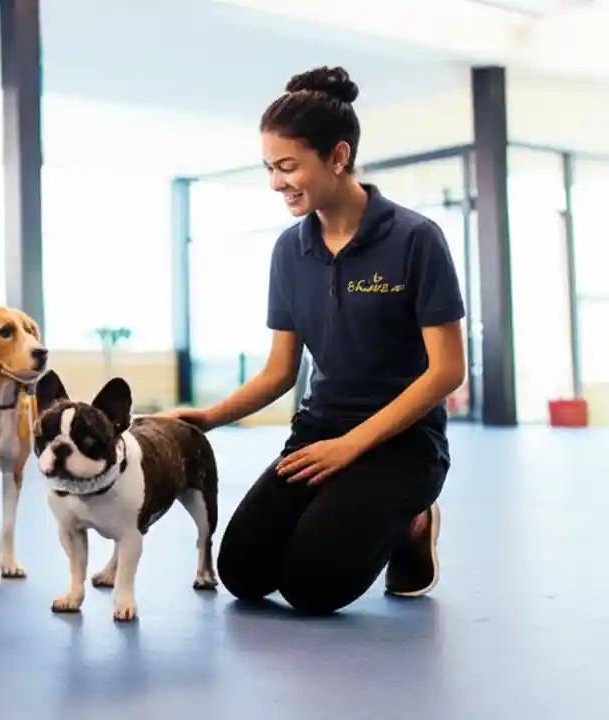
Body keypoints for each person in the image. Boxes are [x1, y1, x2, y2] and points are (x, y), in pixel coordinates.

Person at [158, 66, 467, 615]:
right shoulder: (288, 250)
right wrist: (209, 417)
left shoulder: (416, 239)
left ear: (338, 157)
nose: (277, 182)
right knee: (243, 573)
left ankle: (415, 520)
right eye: (269, 169)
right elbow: (280, 371)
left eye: (288, 166)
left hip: (402, 445)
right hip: (317, 434)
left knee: (312, 589)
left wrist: (351, 447)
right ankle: (347, 505)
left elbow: (446, 371)